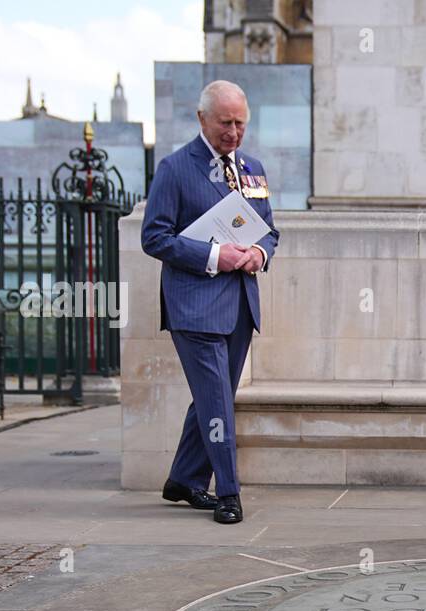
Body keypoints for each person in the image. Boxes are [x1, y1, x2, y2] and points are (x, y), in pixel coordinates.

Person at [141, 80, 279, 525]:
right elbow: (154, 237)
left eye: (240, 123)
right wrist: (217, 255)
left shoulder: (252, 168)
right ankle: (229, 493)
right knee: (218, 401)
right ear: (202, 118)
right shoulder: (174, 168)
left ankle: (182, 480)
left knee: (209, 398)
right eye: (225, 122)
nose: (233, 132)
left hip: (240, 305)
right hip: (195, 308)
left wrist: (259, 253)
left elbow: (269, 231)